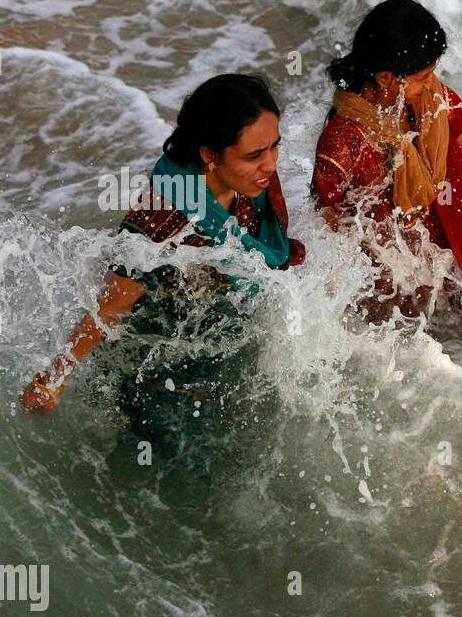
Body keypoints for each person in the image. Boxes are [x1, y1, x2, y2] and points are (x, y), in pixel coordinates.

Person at [21, 74, 305, 462]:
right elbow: (111, 306)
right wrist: (53, 380)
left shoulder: (245, 190)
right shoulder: (165, 216)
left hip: (214, 354)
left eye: (275, 147)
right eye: (255, 155)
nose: (271, 165)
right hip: (156, 377)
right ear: (210, 155)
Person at [313, 0, 462, 328]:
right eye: (424, 75)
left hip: (444, 282)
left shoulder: (434, 105)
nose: (433, 83)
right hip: (385, 311)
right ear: (386, 78)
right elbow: (329, 224)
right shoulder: (344, 140)